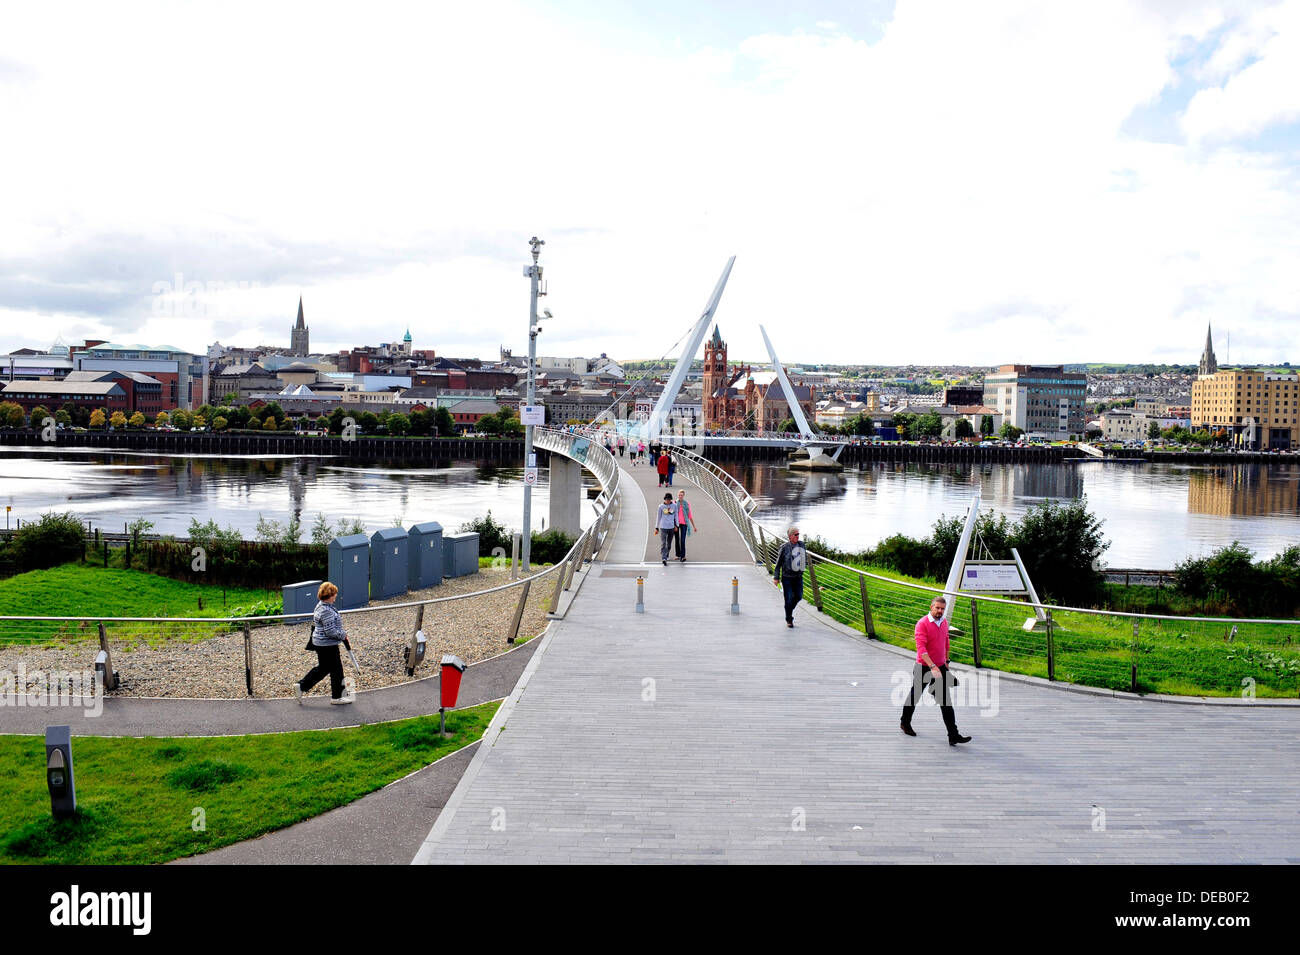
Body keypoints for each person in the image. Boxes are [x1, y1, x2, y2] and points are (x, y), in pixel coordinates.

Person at [899, 595, 971, 745]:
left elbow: (946, 642)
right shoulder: (922, 624)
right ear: (931, 607)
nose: (940, 611)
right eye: (937, 608)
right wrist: (933, 667)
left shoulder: (944, 622)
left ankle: (953, 735)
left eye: (942, 609)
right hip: (924, 667)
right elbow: (921, 650)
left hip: (940, 667)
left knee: (946, 702)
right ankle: (905, 723)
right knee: (915, 696)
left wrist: (946, 661)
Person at [295, 581, 353, 705]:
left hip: (322, 643)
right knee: (336, 670)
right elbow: (330, 631)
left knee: (325, 668)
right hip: (327, 644)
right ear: (330, 595)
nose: (336, 596)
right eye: (335, 594)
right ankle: (336, 697)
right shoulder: (326, 610)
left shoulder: (321, 606)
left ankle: (302, 686)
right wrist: (343, 635)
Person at [771, 525, 807, 628]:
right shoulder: (784, 547)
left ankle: (789, 609)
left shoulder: (802, 545)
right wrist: (776, 577)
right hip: (787, 577)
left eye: (798, 534)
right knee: (788, 599)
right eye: (796, 534)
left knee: (799, 596)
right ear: (790, 536)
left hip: (798, 576)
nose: (798, 536)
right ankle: (789, 619)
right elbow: (778, 563)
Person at [653, 492, 678, 566]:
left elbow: (676, 515)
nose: (668, 501)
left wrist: (677, 525)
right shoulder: (661, 506)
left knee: (669, 544)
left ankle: (666, 554)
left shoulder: (674, 506)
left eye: (669, 499)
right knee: (664, 543)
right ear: (665, 499)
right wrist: (656, 527)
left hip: (671, 527)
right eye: (667, 499)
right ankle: (664, 558)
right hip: (663, 527)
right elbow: (658, 517)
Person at [674, 489, 697, 561]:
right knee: (677, 540)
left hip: (684, 524)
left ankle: (683, 556)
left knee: (682, 540)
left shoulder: (686, 504)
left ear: (683, 495)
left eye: (681, 495)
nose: (680, 496)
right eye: (679, 495)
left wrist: (694, 526)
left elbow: (689, 515)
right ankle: (678, 555)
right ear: (678, 495)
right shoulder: (674, 503)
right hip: (676, 523)